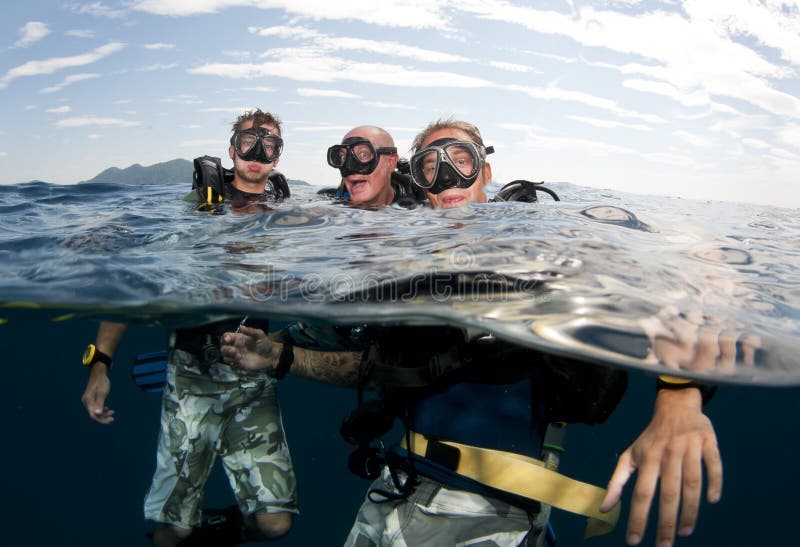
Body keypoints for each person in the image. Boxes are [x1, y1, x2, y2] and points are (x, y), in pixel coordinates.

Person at [221, 118, 723, 547]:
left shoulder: (539, 239)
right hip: (396, 490)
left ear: (484, 169)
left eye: (458, 159)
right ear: (416, 179)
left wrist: (680, 396)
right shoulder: (413, 268)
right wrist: (279, 358)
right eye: (429, 169)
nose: (446, 180)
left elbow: (696, 261)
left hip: (492, 512)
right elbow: (379, 368)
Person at [80, 109, 298, 547]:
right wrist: (100, 364)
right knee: (170, 534)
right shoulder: (197, 207)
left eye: (268, 145)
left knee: (276, 524)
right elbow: (131, 279)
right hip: (191, 374)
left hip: (254, 380)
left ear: (278, 157)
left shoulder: (287, 214)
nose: (257, 153)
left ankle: (219, 531)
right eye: (247, 142)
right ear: (231, 150)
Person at [319, 125, 424, 207]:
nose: (350, 167)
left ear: (391, 162)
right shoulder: (329, 198)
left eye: (364, 154)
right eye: (343, 157)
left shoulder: (420, 199)